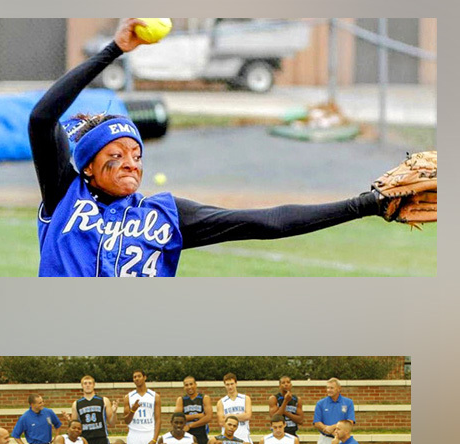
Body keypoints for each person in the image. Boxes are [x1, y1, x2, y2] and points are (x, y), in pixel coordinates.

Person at [26, 18, 395, 278]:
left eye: (137, 155)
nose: (131, 163)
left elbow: (266, 222)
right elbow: (42, 119)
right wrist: (115, 50)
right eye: (116, 154)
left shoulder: (166, 216)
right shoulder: (65, 193)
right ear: (88, 166)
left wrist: (362, 205)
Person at [217, 373, 254, 444]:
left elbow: (248, 415)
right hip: (228, 439)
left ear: (236, 383)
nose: (230, 387)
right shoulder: (221, 402)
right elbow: (221, 422)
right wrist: (240, 416)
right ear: (224, 385)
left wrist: (229, 417)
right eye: (227, 384)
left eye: (232, 384)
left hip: (243, 436)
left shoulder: (245, 398)